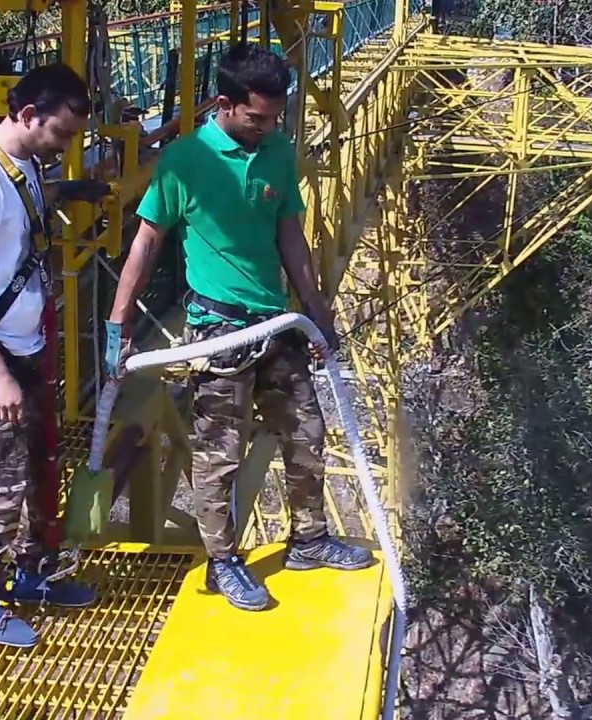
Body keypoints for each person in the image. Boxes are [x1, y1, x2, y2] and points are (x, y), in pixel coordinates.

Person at [104, 43, 375, 613]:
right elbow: (147, 242)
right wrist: (118, 323)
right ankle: (223, 562)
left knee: (306, 433)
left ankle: (309, 539)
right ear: (224, 105)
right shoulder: (184, 162)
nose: (267, 128)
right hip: (218, 332)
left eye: (275, 118)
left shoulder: (277, 150)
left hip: (277, 322)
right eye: (257, 117)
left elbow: (291, 237)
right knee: (218, 453)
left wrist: (318, 314)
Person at [0, 63, 110, 648]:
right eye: (59, 133)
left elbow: (18, 216)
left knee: (38, 467)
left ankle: (31, 569)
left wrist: (71, 190)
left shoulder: (24, 166)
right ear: (27, 115)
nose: (64, 146)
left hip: (23, 349)